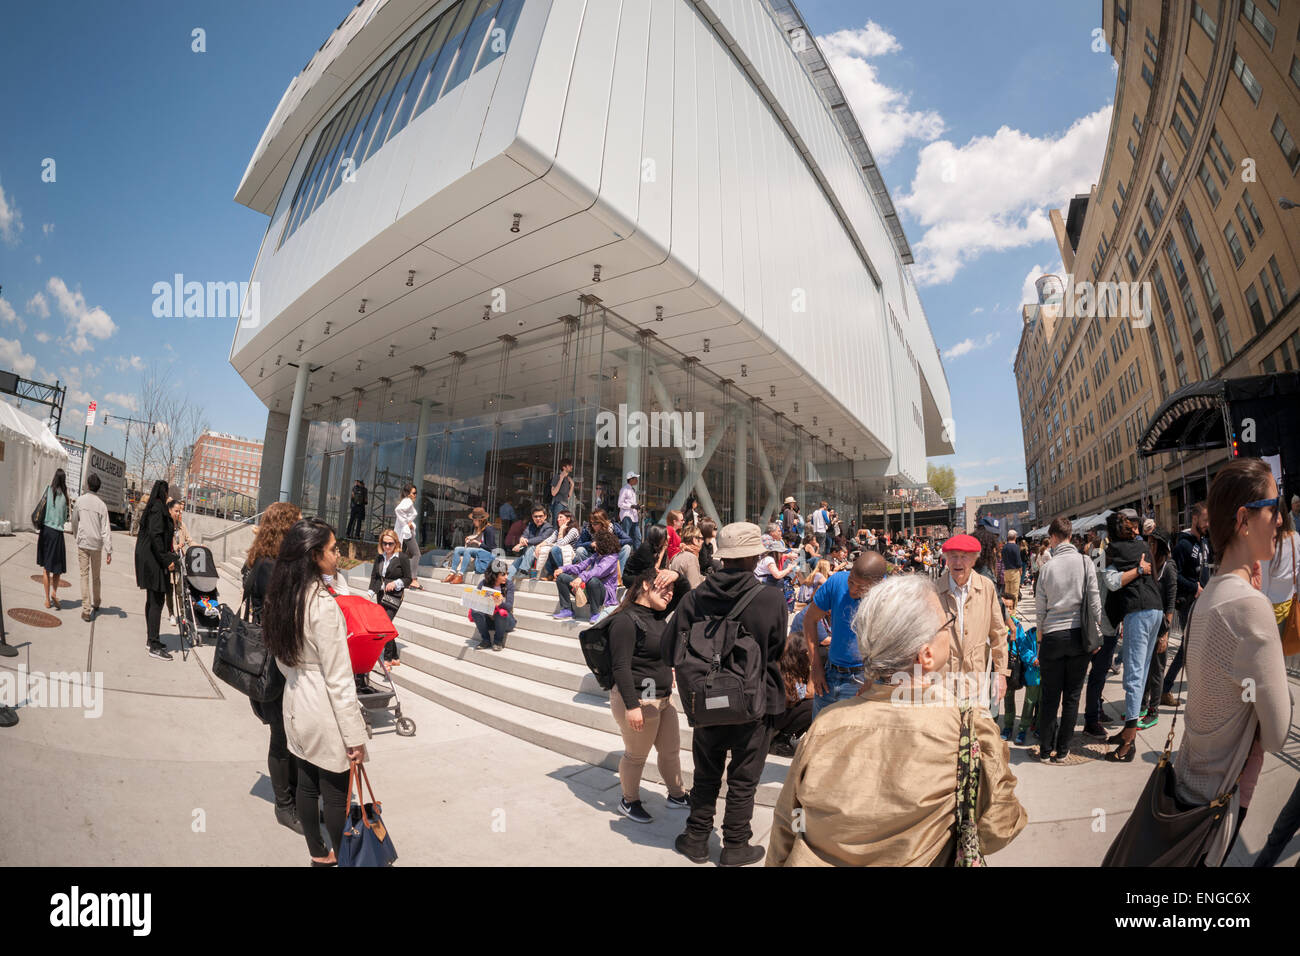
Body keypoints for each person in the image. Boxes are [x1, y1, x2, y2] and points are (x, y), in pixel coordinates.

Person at [766, 574, 1027, 866]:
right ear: (926, 655)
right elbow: (998, 829)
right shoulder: (967, 728)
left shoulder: (824, 726)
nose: (951, 634)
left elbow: (790, 821)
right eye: (946, 625)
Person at [1168, 458, 1292, 864]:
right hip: (1218, 804)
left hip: (1186, 786)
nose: (1280, 520)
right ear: (1244, 519)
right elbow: (1277, 735)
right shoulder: (1250, 608)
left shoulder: (1209, 599)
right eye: (1274, 508)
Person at [666, 523, 788, 867]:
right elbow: (776, 649)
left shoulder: (693, 598)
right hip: (756, 702)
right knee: (744, 778)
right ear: (755, 556)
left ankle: (695, 838)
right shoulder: (771, 598)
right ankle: (735, 845)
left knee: (706, 772)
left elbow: (669, 647)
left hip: (706, 701)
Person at [263, 518, 367, 866]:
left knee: (307, 785)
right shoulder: (323, 605)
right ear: (313, 555)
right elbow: (339, 680)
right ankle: (345, 859)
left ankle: (318, 855)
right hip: (323, 708)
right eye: (333, 549)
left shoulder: (284, 596)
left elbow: (280, 658)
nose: (339, 555)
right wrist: (355, 736)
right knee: (335, 795)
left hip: (295, 700)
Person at [604, 567, 690, 824]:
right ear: (644, 585)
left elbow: (685, 591)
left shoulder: (657, 613)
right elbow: (620, 666)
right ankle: (629, 801)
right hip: (638, 700)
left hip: (662, 699)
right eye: (663, 586)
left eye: (670, 588)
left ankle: (677, 794)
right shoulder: (625, 620)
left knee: (671, 750)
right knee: (636, 755)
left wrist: (675, 575)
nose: (670, 593)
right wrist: (632, 706)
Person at [241, 501, 304, 834]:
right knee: (281, 736)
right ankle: (285, 805)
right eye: (296, 523)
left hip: (276, 660)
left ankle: (295, 797)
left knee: (288, 733)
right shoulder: (269, 567)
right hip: (272, 663)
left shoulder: (265, 560)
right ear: (285, 527)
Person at [1032, 516, 1102, 762]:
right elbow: (1094, 601)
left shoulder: (1047, 567)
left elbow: (1040, 609)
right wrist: (1098, 630)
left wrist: (1041, 638)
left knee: (1050, 696)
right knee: (1072, 697)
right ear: (1071, 536)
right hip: (1078, 635)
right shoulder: (1085, 563)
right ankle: (1062, 751)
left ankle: (1044, 749)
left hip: (1052, 635)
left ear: (1052, 537)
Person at [1100, 508, 1164, 761]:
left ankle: (1129, 740)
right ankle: (1129, 729)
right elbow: (1153, 577)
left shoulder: (1114, 551)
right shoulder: (1143, 548)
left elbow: (1113, 583)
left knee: (1134, 676)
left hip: (1138, 612)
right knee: (1142, 670)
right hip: (1154, 610)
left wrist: (1135, 572)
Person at [802, 550, 887, 719]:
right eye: (851, 582)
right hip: (830, 676)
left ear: (877, 585)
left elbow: (891, 645)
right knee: (820, 739)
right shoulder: (836, 582)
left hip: (864, 679)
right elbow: (809, 620)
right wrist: (816, 668)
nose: (853, 590)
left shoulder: (887, 596)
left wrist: (871, 681)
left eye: (861, 587)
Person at [937, 533, 1009, 709]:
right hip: (942, 683)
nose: (958, 562)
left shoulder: (986, 588)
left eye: (964, 557)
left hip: (975, 680)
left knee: (974, 732)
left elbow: (998, 633)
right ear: (946, 559)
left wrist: (1000, 674)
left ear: (974, 560)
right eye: (953, 556)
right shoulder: (934, 591)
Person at [1165, 502, 1212, 704]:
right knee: (1189, 647)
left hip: (1202, 602)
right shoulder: (1183, 545)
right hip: (1187, 603)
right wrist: (1195, 588)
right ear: (1194, 519)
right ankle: (1166, 687)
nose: (1207, 524)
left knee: (1195, 647)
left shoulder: (1204, 542)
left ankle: (1168, 687)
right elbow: (1173, 575)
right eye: (1204, 520)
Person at [1136, 533, 1178, 728]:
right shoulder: (1151, 565)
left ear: (1160, 546)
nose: (1149, 546)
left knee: (1157, 671)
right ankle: (1143, 705)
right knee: (1146, 666)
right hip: (1147, 623)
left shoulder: (1168, 568)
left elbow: (1170, 603)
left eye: (1152, 543)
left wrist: (1165, 634)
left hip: (1160, 625)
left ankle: (1154, 711)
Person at [134, 480, 176, 661]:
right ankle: (154, 644)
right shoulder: (158, 509)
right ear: (164, 492)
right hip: (153, 560)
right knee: (157, 601)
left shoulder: (154, 507)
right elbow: (156, 536)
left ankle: (151, 639)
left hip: (148, 558)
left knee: (152, 600)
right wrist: (167, 560)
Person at [1260, 507, 1299, 674]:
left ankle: (1279, 694)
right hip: (1290, 603)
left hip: (1270, 607)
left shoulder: (1268, 542)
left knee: (1269, 658)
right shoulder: (1295, 538)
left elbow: (1264, 580)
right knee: (1280, 656)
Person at [70, 472, 112, 622]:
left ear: (88, 486)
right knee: (96, 576)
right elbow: (106, 529)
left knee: (84, 575)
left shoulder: (80, 501)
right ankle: (97, 601)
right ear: (98, 488)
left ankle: (86, 609)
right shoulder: (102, 505)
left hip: (83, 542)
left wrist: (76, 535)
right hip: (97, 545)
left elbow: (74, 520)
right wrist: (109, 550)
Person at [554, 529, 620, 624]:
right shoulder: (597, 555)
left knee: (593, 580)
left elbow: (598, 571)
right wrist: (563, 569)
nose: (593, 544)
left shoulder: (612, 558)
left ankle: (595, 613)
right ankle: (566, 609)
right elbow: (580, 566)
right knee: (561, 578)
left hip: (603, 594)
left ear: (603, 543)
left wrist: (581, 578)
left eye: (596, 541)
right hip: (588, 590)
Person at [368, 529, 412, 664]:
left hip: (395, 596)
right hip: (381, 595)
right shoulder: (379, 557)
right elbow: (375, 577)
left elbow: (408, 579)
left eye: (390, 544)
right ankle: (394, 656)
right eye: (384, 543)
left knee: (385, 625)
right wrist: (370, 592)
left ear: (396, 543)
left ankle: (387, 659)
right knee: (385, 624)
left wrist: (396, 583)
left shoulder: (402, 558)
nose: (387, 547)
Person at [1001, 597, 1040, 746]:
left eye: (1010, 607)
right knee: (1008, 698)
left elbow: (1023, 647)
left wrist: (1030, 659)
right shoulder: (995, 623)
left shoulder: (1017, 626)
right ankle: (1008, 726)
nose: (1008, 611)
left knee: (1029, 701)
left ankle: (1023, 728)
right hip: (1001, 667)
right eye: (1005, 607)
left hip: (1015, 668)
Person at [769, 631, 814, 758]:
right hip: (773, 719)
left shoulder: (791, 666)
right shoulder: (781, 669)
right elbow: (808, 693)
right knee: (813, 706)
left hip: (778, 715)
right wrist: (812, 668)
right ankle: (780, 739)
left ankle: (783, 737)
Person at [34, 467, 70, 610]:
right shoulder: (65, 497)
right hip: (57, 534)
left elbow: (42, 507)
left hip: (46, 532)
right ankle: (55, 592)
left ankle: (47, 600)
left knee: (46, 568)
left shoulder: (48, 490)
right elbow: (65, 518)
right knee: (57, 568)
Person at [471, 559, 516, 651]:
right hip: (489, 619)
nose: (506, 577)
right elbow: (477, 602)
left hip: (506, 620)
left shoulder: (509, 585)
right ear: (494, 575)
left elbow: (509, 606)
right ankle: (486, 640)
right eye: (503, 574)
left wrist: (500, 603)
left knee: (502, 612)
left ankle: (498, 641)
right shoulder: (483, 584)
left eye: (507, 573)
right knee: (475, 611)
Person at [444, 507, 496, 584]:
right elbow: (477, 538)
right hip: (480, 551)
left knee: (468, 550)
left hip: (488, 553)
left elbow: (491, 548)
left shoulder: (489, 529)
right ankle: (452, 573)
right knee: (457, 549)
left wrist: (477, 543)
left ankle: (460, 575)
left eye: (475, 520)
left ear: (480, 520)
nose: (473, 522)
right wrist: (471, 540)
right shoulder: (480, 528)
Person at [164, 497, 195, 626]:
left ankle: (182, 615)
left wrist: (198, 546)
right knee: (169, 590)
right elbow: (164, 545)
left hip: (179, 562)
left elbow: (189, 540)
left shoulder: (182, 526)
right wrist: (176, 547)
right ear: (170, 510)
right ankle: (171, 613)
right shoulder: (165, 525)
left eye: (180, 511)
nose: (178, 514)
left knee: (180, 590)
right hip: (169, 561)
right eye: (176, 511)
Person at [508, 506, 555, 581]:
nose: (538, 518)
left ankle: (524, 571)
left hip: (541, 554)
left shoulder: (549, 528)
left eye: (540, 516)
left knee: (531, 548)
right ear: (532, 517)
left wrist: (522, 543)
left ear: (545, 516)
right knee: (517, 561)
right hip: (528, 555)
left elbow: (541, 538)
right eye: (535, 516)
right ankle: (507, 581)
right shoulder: (531, 525)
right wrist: (522, 539)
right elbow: (524, 535)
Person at [535, 509, 579, 581]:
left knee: (555, 549)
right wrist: (538, 546)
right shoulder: (557, 531)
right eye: (558, 517)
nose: (558, 519)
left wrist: (561, 530)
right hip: (560, 555)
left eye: (561, 517)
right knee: (546, 549)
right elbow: (549, 540)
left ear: (568, 519)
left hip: (572, 557)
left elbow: (561, 544)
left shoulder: (573, 530)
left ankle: (562, 574)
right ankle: (551, 574)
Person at [393, 484, 424, 588]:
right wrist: (406, 523)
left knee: (403, 556)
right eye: (414, 493)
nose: (415, 495)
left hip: (404, 532)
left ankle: (403, 577)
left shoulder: (406, 501)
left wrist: (407, 523)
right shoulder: (407, 501)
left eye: (416, 493)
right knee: (416, 554)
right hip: (405, 533)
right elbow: (398, 510)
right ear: (408, 493)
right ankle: (413, 579)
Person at [668, 524, 705, 588]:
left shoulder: (678, 554)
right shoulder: (690, 558)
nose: (703, 541)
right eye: (702, 538)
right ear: (695, 540)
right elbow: (694, 587)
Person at [1002, 529, 1024, 614]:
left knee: (1007, 593)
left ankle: (1006, 612)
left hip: (1006, 571)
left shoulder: (1004, 547)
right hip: (1014, 571)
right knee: (1014, 594)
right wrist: (1021, 571)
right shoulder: (1015, 547)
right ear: (1015, 537)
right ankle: (1013, 613)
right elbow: (1018, 562)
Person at [618, 471, 641, 549]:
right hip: (627, 516)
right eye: (635, 478)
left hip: (634, 517)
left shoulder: (632, 490)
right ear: (631, 479)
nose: (637, 480)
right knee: (626, 537)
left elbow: (631, 504)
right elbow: (620, 504)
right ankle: (623, 555)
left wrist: (637, 507)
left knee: (637, 538)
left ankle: (637, 557)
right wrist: (632, 506)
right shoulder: (624, 489)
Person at [549, 459, 574, 524]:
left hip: (565, 505)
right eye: (569, 465)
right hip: (558, 504)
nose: (572, 467)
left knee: (565, 525)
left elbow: (568, 496)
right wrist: (560, 479)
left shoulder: (568, 478)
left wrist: (572, 485)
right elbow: (553, 493)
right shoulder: (557, 476)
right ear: (564, 467)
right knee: (556, 525)